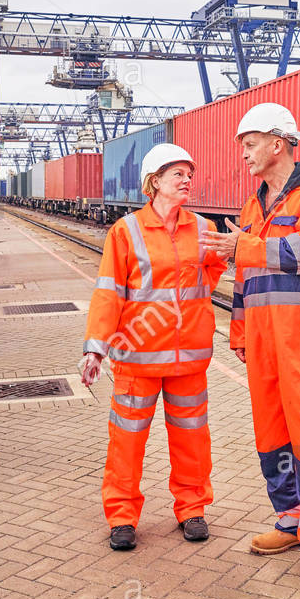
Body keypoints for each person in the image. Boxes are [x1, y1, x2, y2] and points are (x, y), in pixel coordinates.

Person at [202, 104, 300, 595]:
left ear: (278, 143)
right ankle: (291, 521)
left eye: (250, 142)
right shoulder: (253, 206)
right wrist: (240, 332)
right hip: (265, 343)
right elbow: (246, 281)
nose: (243, 151)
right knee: (271, 434)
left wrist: (237, 247)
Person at [81, 143, 228, 551]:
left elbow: (211, 279)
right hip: (137, 360)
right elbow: (108, 292)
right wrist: (96, 347)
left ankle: (192, 509)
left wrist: (191, 316)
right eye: (178, 174)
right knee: (127, 441)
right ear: (155, 182)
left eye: (189, 174)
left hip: (189, 360)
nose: (187, 181)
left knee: (192, 438)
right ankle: (123, 517)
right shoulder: (125, 231)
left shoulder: (204, 229)